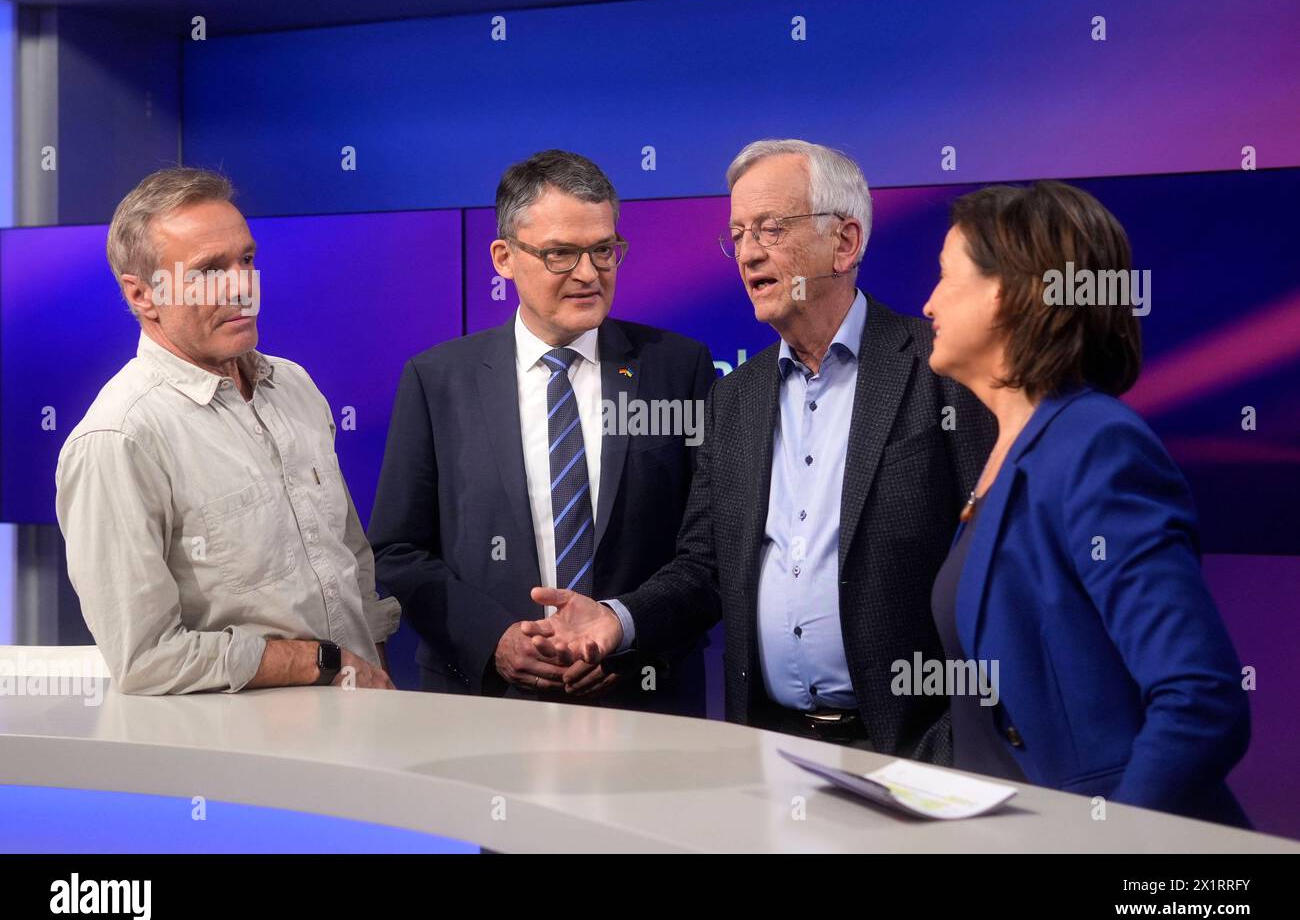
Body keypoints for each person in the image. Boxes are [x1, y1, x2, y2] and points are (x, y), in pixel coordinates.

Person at [521, 139, 995, 760]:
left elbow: (1002, 571)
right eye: (738, 233)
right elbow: (704, 568)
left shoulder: (942, 368)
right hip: (770, 752)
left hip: (912, 751)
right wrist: (618, 619)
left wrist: (958, 743)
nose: (747, 252)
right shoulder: (734, 399)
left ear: (845, 243)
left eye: (771, 229)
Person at [922, 180, 1250, 825]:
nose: (928, 304)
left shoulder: (1097, 445)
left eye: (945, 278)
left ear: (1008, 292)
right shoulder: (1007, 451)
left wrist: (1110, 848)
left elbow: (1201, 699)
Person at [369, 150, 712, 714]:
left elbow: (708, 548)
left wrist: (620, 634)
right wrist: (495, 640)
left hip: (645, 702)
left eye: (604, 250)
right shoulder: (438, 380)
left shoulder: (677, 367)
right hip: (483, 705)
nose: (588, 273)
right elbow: (399, 550)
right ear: (504, 258)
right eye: (560, 254)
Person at [56, 167, 397, 694]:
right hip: (245, 756)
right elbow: (147, 659)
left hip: (362, 719)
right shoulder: (119, 439)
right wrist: (321, 663)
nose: (242, 286)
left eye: (246, 259)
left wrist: (372, 661)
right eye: (209, 270)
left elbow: (347, 555)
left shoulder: (295, 385)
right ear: (142, 295)